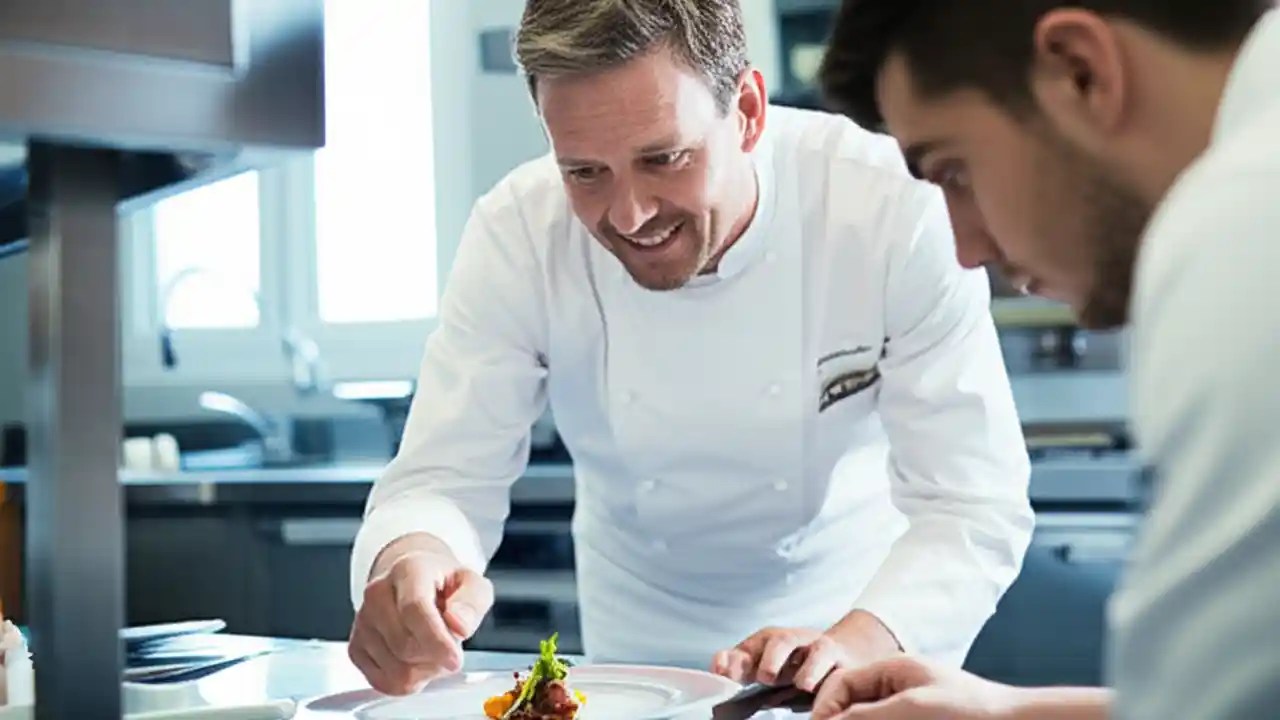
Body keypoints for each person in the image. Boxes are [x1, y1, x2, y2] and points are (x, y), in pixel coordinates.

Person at [345, 0, 1034, 697]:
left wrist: (854, 644)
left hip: (856, 633)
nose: (628, 215)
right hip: (630, 660)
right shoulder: (517, 232)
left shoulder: (889, 208)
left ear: (748, 111)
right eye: (585, 172)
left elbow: (971, 503)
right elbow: (443, 476)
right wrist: (413, 559)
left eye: (664, 159)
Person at [811, 1, 1280, 718]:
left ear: (1079, 72)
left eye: (954, 171)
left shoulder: (1242, 225)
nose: (969, 249)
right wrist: (1016, 714)